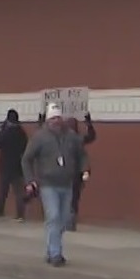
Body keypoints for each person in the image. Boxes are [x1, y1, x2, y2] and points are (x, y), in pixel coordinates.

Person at [22, 103, 91, 267]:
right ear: (48, 120)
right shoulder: (40, 137)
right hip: (48, 184)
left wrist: (84, 169)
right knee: (53, 217)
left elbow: (82, 154)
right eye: (53, 118)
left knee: (63, 219)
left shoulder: (71, 136)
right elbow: (26, 159)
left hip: (67, 183)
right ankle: (55, 254)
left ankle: (50, 250)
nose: (56, 121)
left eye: (58, 117)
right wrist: (30, 180)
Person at [0, 109, 29, 220]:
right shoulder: (21, 132)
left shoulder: (6, 132)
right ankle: (20, 215)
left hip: (6, 165)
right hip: (18, 165)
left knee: (3, 191)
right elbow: (25, 146)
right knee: (19, 192)